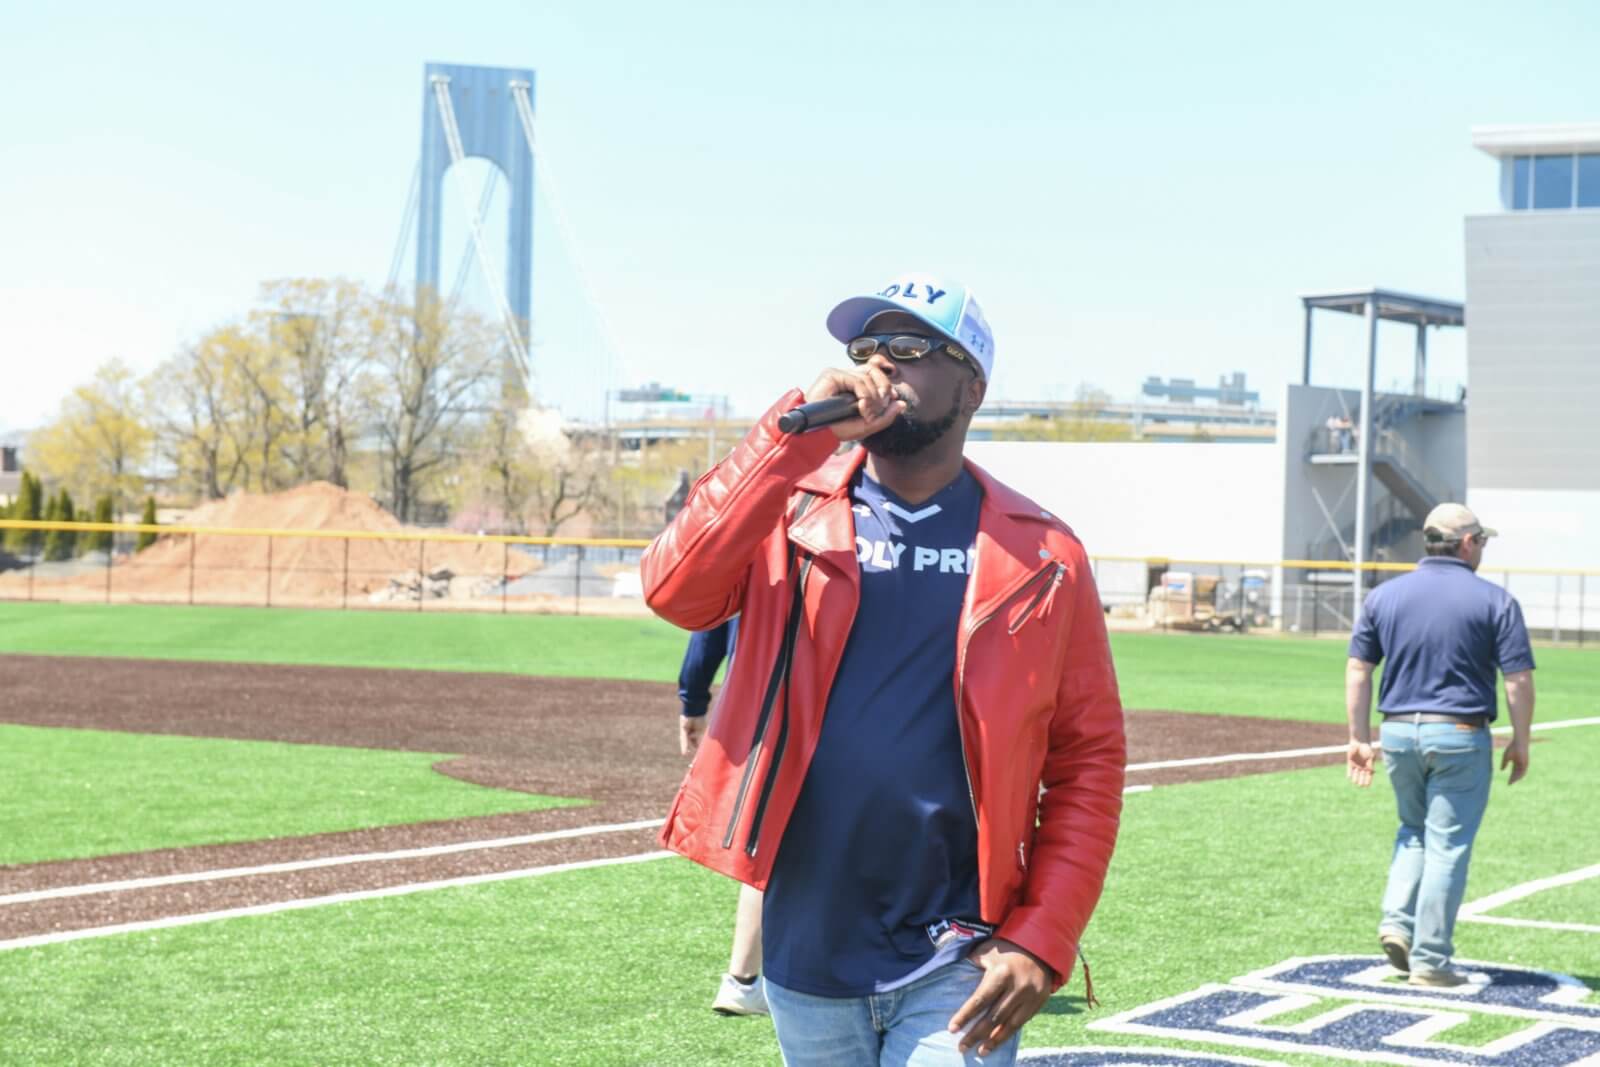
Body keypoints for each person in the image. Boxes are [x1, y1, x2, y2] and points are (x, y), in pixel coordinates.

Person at [642, 272, 1126, 1065]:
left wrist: (1044, 935)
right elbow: (673, 589)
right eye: (864, 349)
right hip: (808, 952)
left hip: (957, 960)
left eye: (908, 348)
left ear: (970, 385)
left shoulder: (1046, 554)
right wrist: (792, 434)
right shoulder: (791, 510)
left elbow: (1090, 761)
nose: (878, 367)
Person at [1345, 503, 1536, 988]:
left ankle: (1397, 924)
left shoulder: (1384, 596)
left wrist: (1357, 737)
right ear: (1467, 543)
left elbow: (1358, 669)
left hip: (1397, 732)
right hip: (1458, 733)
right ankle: (1430, 958)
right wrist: (1521, 738)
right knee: (1447, 846)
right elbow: (1516, 680)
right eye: (1483, 542)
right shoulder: (1495, 601)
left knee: (1412, 830)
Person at [676, 618, 770, 1017]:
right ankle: (745, 980)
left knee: (769, 843)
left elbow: (710, 626)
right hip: (818, 708)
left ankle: (743, 979)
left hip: (750, 710)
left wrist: (693, 700)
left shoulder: (752, 551)